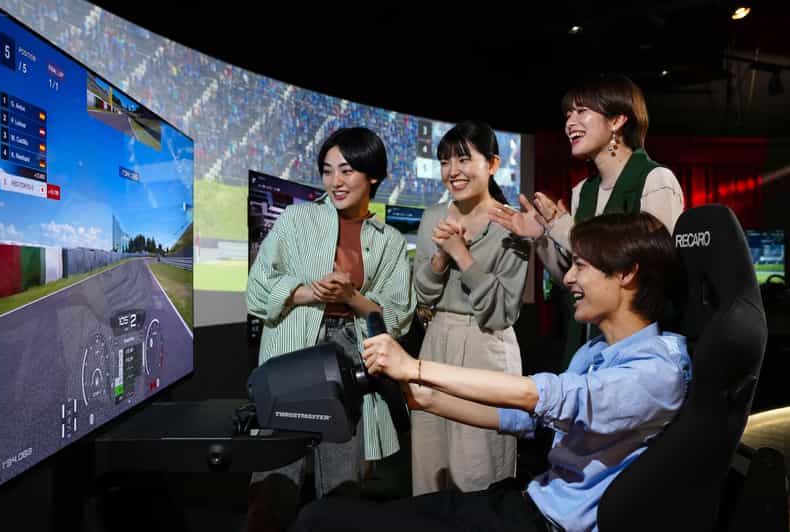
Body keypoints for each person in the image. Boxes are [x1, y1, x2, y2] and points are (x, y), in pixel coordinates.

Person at [290, 211, 691, 532]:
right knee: (325, 517)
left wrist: (415, 366)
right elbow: (525, 418)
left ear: (626, 274)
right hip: (526, 501)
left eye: (581, 266)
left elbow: (541, 396)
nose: (568, 277)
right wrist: (428, 398)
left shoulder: (657, 371)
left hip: (544, 522)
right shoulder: (598, 350)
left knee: (321, 522)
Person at [244, 127, 416, 530]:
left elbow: (399, 317)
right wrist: (308, 292)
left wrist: (352, 295)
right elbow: (256, 291)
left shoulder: (389, 241)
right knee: (273, 484)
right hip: (291, 354)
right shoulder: (296, 217)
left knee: (341, 489)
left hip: (350, 357)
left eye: (347, 170)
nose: (335, 182)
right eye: (327, 171)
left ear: (372, 174)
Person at [490, 75, 684, 369]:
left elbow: (655, 271)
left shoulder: (655, 179)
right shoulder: (584, 191)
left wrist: (563, 228)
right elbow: (574, 278)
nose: (570, 123)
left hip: (635, 349)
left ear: (617, 120)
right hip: (586, 343)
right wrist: (541, 237)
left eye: (581, 112)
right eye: (568, 114)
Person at [412, 120, 530, 495]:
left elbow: (501, 312)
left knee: (481, 468)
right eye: (445, 161)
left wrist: (463, 256)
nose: (453, 171)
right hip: (436, 342)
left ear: (493, 164)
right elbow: (424, 295)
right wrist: (440, 260)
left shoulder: (513, 224)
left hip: (487, 346)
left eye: (464, 159)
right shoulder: (433, 216)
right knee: (431, 464)